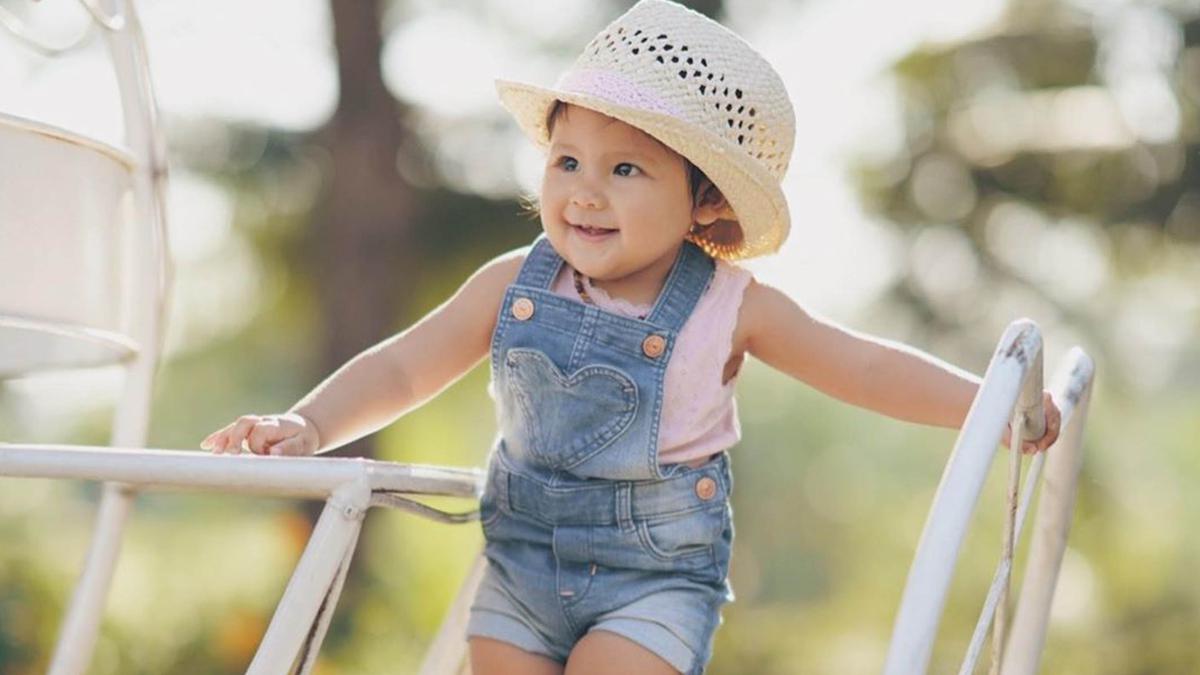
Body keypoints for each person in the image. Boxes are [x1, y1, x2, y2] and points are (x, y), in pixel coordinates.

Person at [201, 1, 1063, 672]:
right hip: (521, 568)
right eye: (566, 159)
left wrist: (987, 407)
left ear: (705, 202)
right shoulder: (516, 281)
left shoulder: (732, 305)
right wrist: (310, 426)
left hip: (654, 579)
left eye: (625, 169)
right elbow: (404, 363)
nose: (584, 192)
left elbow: (862, 366)